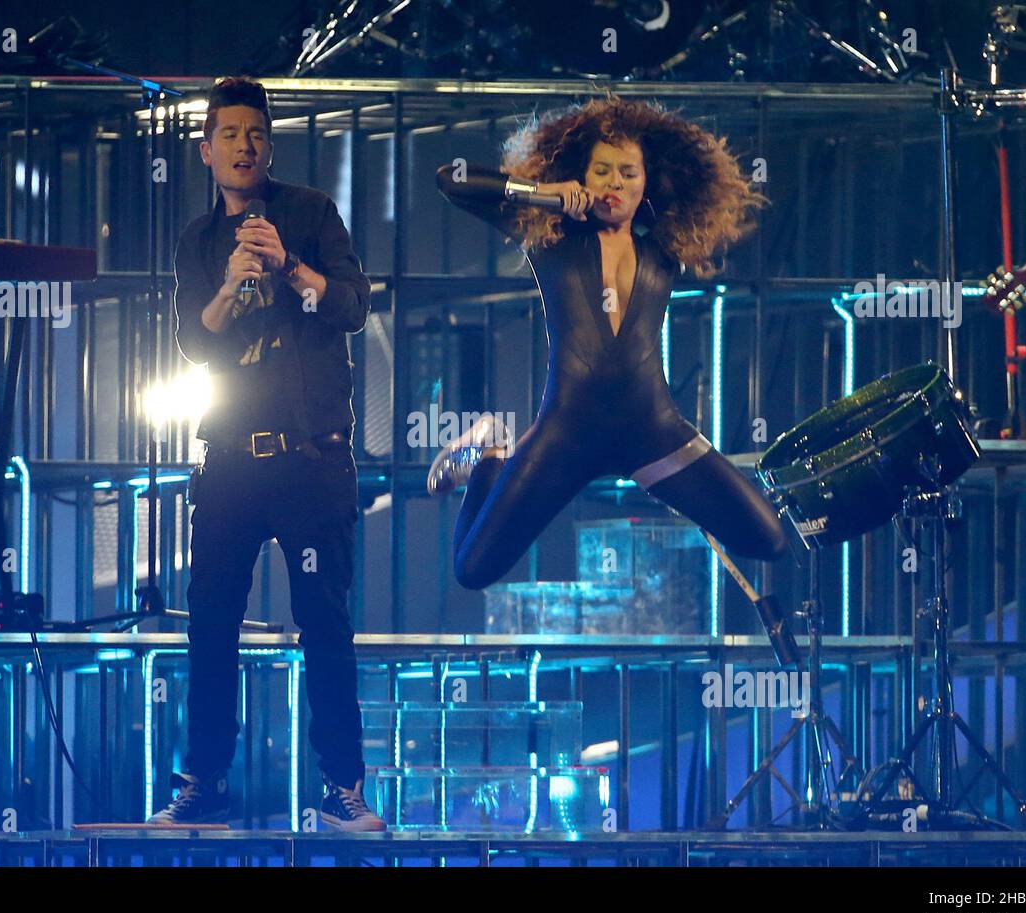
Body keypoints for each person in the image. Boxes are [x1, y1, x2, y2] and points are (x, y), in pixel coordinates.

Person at [428, 96, 788, 589]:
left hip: (653, 431)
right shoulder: (549, 238)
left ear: (647, 182)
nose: (614, 183)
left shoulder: (665, 247)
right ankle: (489, 449)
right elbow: (451, 179)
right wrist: (542, 193)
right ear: (581, 176)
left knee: (769, 538)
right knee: (472, 570)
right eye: (601, 171)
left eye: (627, 172)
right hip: (566, 433)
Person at [152, 77, 384, 830]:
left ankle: (343, 789)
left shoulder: (311, 212)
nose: (243, 146)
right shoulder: (198, 240)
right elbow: (194, 341)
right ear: (206, 151)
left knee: (325, 625)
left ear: (270, 147)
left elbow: (353, 306)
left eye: (255, 134)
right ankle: (204, 786)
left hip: (310, 458)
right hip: (229, 461)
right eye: (229, 134)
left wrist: (288, 266)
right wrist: (229, 286)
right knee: (211, 624)